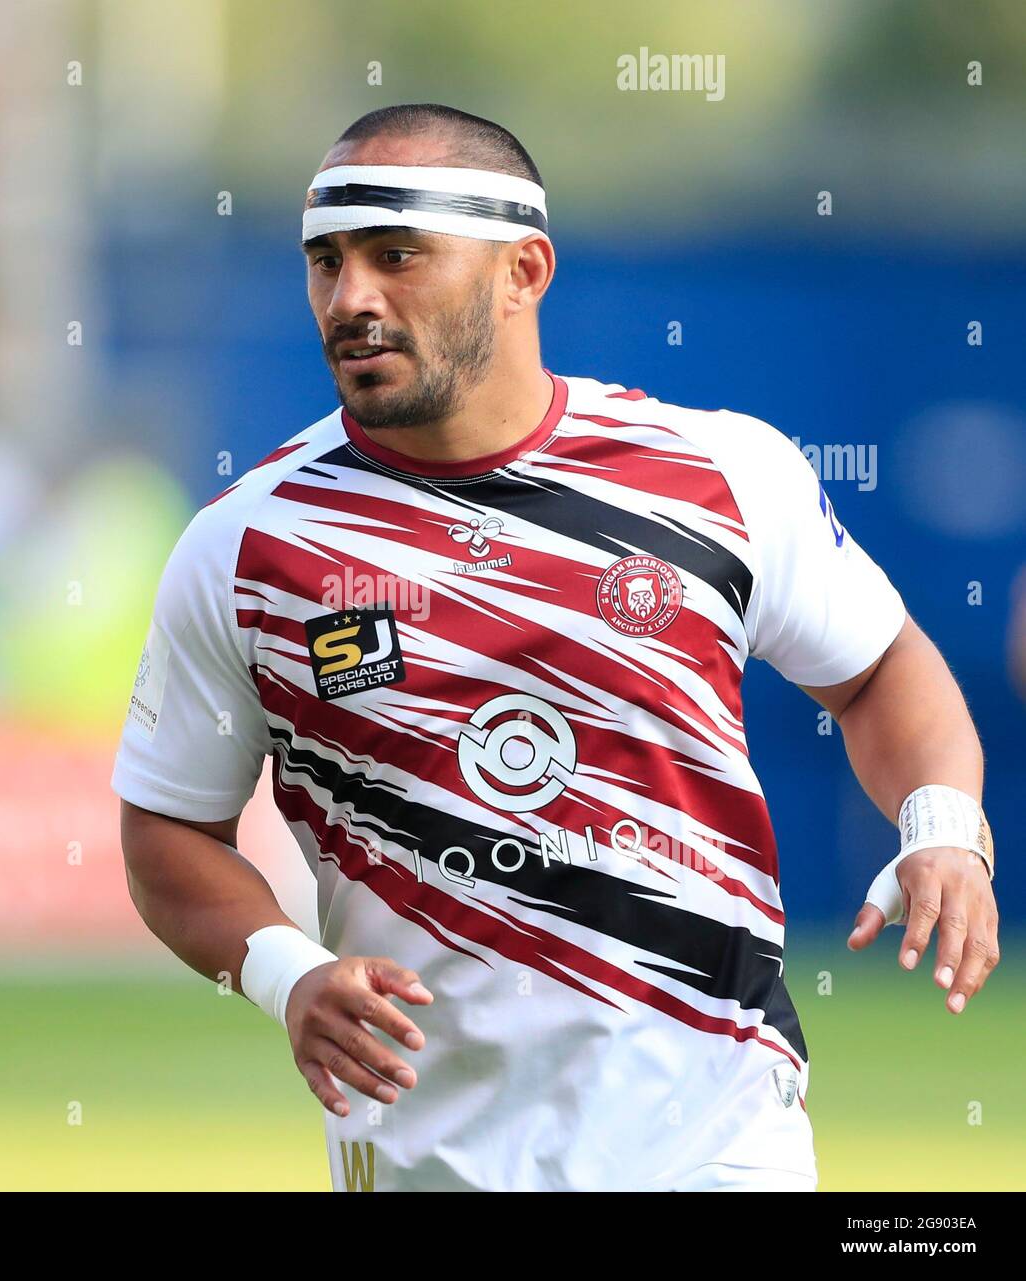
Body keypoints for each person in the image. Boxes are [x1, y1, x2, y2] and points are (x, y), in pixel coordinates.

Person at [113, 104, 998, 1192]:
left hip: (721, 1157)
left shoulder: (719, 476)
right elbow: (165, 827)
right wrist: (285, 972)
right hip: (425, 1166)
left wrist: (944, 828)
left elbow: (880, 670)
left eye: (396, 256)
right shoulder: (247, 546)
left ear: (523, 270)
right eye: (326, 263)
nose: (351, 300)